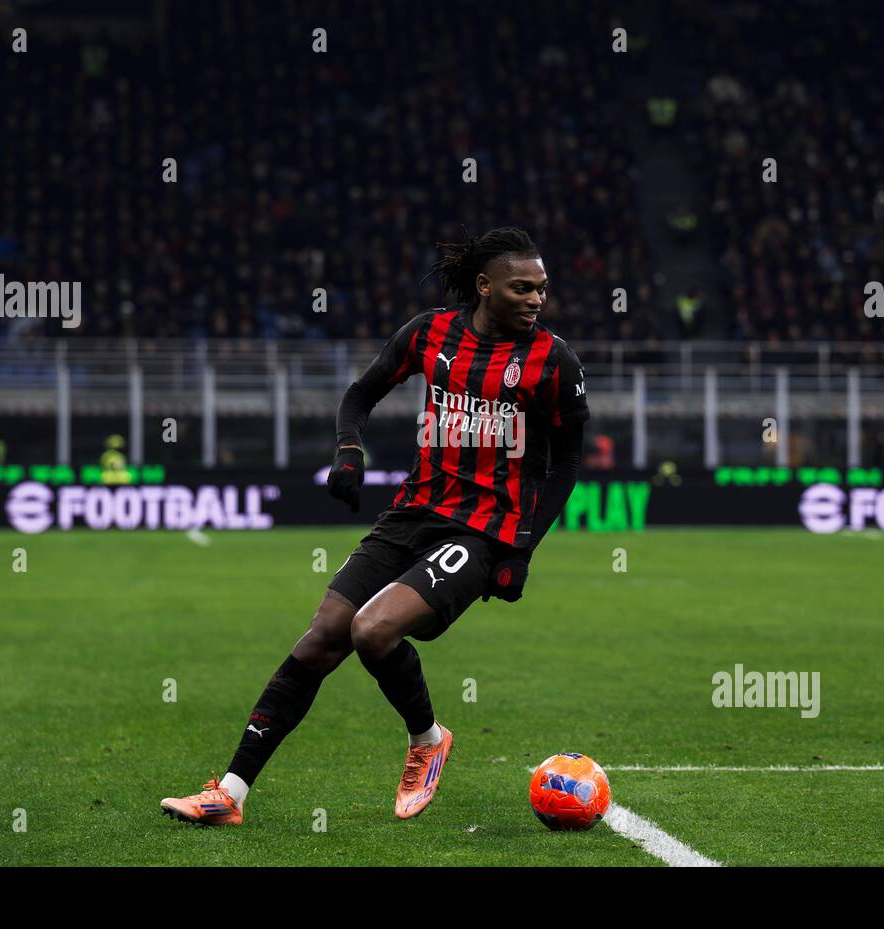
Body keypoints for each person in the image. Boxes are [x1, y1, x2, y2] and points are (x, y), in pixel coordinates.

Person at [160, 227, 589, 824]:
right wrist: (347, 450)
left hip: (482, 531)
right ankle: (229, 794)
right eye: (522, 288)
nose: (535, 299)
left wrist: (520, 550)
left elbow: (567, 460)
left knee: (373, 631)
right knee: (322, 636)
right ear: (486, 286)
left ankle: (427, 739)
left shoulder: (553, 360)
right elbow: (360, 396)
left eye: (542, 289)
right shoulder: (431, 333)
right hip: (412, 513)